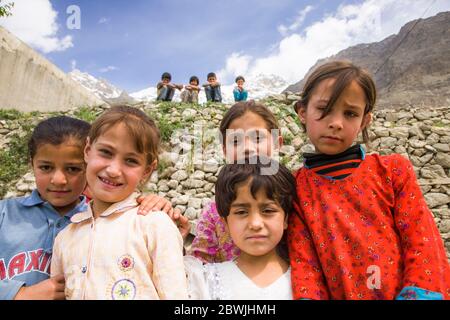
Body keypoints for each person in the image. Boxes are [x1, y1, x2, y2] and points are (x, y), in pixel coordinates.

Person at [288, 60, 450, 300]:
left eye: (350, 113)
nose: (336, 123)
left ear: (364, 120)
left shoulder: (392, 171)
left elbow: (422, 240)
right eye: (324, 109)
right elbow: (304, 263)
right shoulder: (296, 188)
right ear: (303, 112)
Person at [0, 116, 187, 300]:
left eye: (73, 169)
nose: (58, 179)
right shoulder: (7, 214)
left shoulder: (137, 219)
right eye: (46, 167)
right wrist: (20, 294)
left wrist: (166, 230)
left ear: (86, 158)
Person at [50, 106, 188, 299]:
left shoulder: (154, 225)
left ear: (147, 170)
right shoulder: (65, 237)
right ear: (88, 150)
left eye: (131, 161)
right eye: (106, 152)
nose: (114, 170)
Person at [185, 159, 322, 299]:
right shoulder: (205, 281)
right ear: (225, 222)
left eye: (268, 210)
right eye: (241, 212)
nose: (255, 224)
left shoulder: (309, 282)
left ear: (286, 219)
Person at [188, 100, 283, 262]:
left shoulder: (291, 196)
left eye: (258, 138)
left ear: (277, 143)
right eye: (236, 141)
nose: (247, 148)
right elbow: (199, 265)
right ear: (225, 151)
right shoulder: (213, 212)